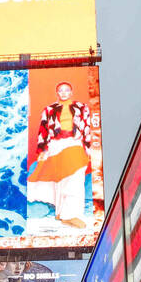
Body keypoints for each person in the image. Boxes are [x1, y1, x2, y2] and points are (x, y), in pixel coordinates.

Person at [28, 81, 94, 230]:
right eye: (61, 90)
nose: (64, 93)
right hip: (56, 145)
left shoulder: (82, 108)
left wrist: (88, 149)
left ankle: (71, 214)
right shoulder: (49, 110)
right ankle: (61, 213)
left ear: (71, 92)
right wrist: (42, 150)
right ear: (57, 93)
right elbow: (43, 130)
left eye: (67, 90)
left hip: (74, 143)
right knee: (60, 179)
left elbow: (87, 129)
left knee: (76, 178)